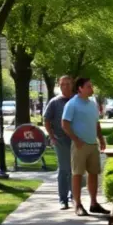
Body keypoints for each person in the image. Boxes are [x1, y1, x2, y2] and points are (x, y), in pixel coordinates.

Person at [61, 78, 108, 216]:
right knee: (77, 174)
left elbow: (96, 123)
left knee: (93, 173)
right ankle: (78, 204)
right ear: (80, 88)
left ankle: (94, 203)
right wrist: (76, 140)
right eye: (88, 86)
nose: (91, 88)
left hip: (93, 144)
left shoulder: (92, 104)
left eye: (91, 86)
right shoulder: (72, 104)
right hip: (79, 145)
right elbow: (64, 124)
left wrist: (100, 138)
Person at [42, 75, 75, 210]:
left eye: (68, 84)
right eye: (63, 84)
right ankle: (63, 199)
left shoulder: (76, 100)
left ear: (72, 84)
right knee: (64, 169)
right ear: (59, 86)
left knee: (75, 170)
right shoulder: (55, 102)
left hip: (76, 139)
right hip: (60, 139)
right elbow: (46, 120)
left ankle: (74, 197)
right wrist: (52, 137)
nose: (66, 87)